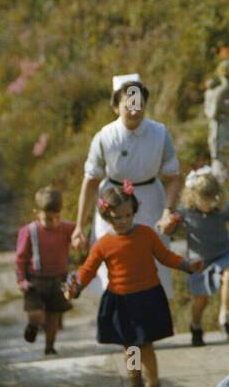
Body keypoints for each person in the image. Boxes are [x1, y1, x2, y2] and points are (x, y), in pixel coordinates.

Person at [68, 182, 203, 387]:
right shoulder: (103, 245)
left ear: (134, 211)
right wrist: (75, 287)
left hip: (148, 298)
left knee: (147, 348)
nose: (123, 221)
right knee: (132, 350)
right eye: (116, 217)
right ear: (106, 216)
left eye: (128, 215)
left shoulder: (146, 234)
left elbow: (165, 256)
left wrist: (187, 265)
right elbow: (87, 270)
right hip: (122, 302)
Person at [71, 75, 181, 296]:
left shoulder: (159, 133)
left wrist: (168, 211)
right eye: (127, 105)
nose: (134, 110)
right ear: (115, 107)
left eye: (138, 104)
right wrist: (79, 227)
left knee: (153, 258)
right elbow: (90, 182)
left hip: (150, 202)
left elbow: (173, 176)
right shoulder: (105, 137)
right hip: (113, 199)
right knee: (110, 257)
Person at [169, 168, 229, 346]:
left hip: (223, 254)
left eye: (214, 199)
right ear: (194, 196)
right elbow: (170, 228)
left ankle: (225, 315)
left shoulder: (223, 209)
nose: (211, 204)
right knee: (200, 299)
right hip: (198, 261)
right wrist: (169, 224)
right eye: (206, 201)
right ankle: (196, 325)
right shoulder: (185, 211)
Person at [15, 186, 75, 356]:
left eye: (57, 218)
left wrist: (79, 238)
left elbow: (79, 232)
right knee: (35, 313)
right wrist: (21, 279)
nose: (53, 222)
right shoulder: (29, 231)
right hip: (35, 280)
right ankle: (33, 325)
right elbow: (20, 257)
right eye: (48, 219)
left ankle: (50, 346)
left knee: (53, 316)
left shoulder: (66, 228)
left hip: (58, 279)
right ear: (37, 213)